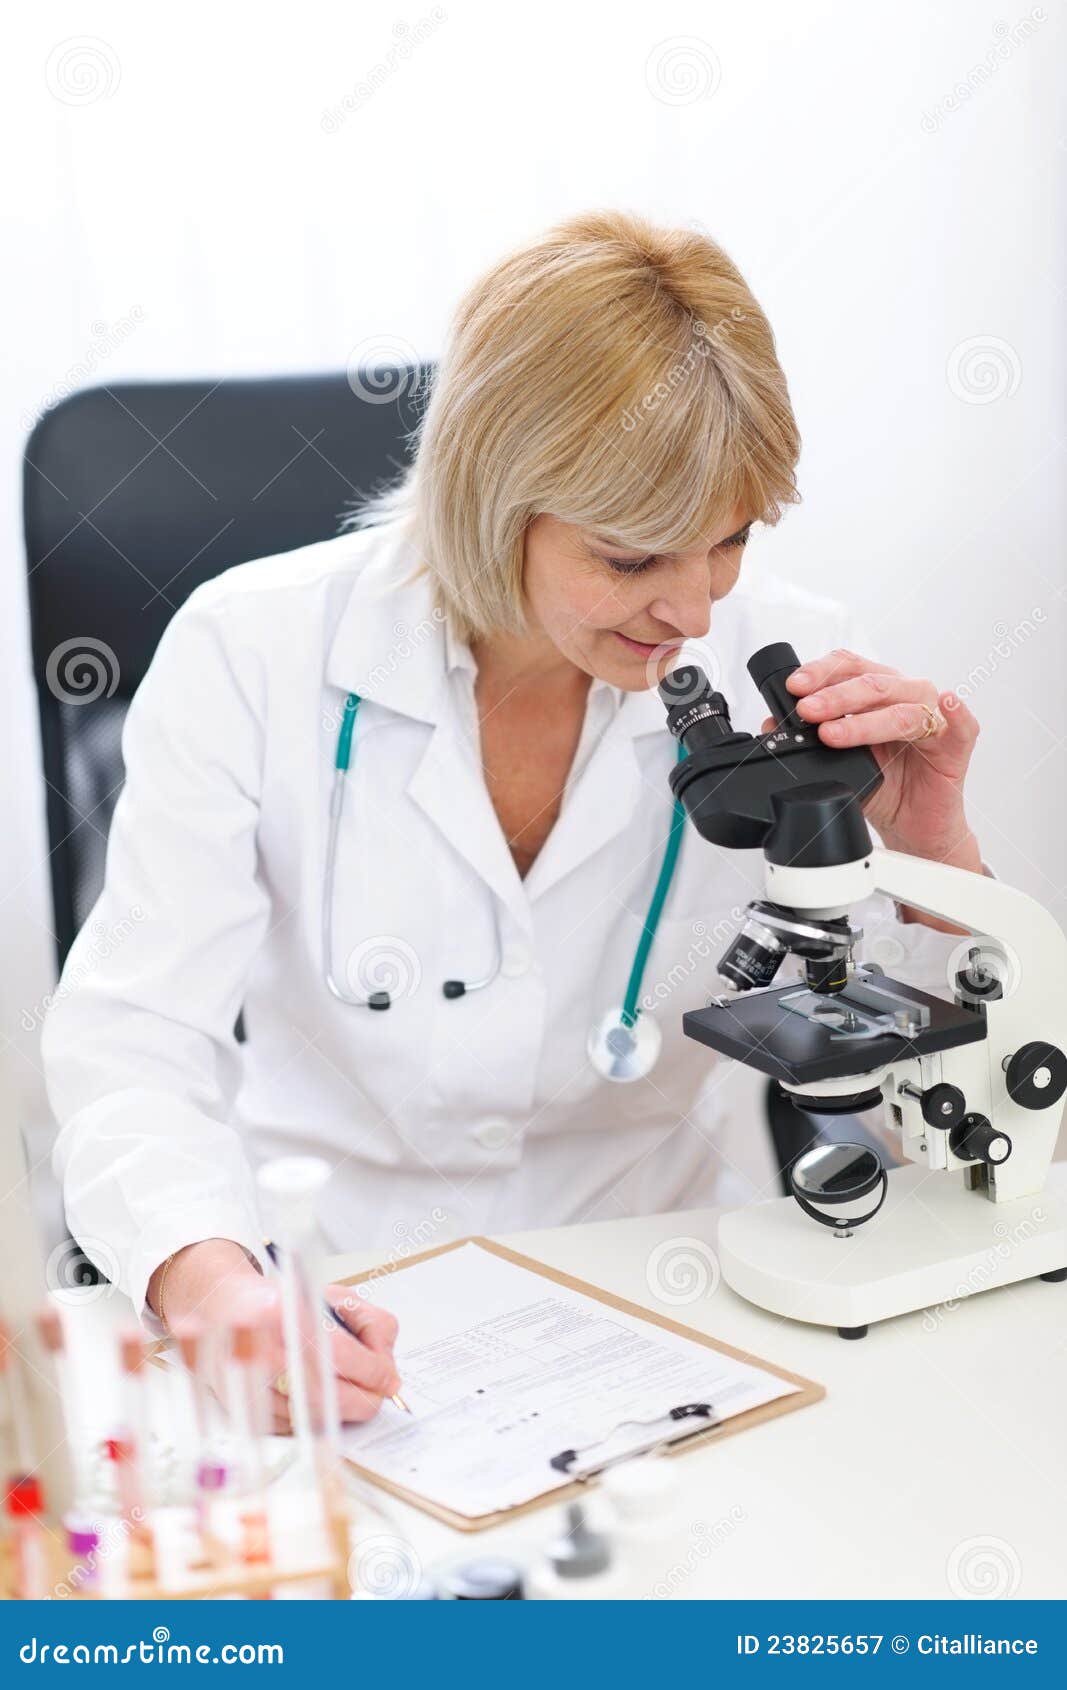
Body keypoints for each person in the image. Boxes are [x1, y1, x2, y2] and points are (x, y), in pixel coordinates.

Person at [42, 211, 988, 1426]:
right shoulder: (250, 650)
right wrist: (208, 1281)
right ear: (494, 500)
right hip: (333, 1294)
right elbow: (132, 1039)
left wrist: (931, 852)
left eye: (729, 541)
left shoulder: (778, 669)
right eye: (634, 556)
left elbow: (956, 1133)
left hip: (677, 1289)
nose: (694, 609)